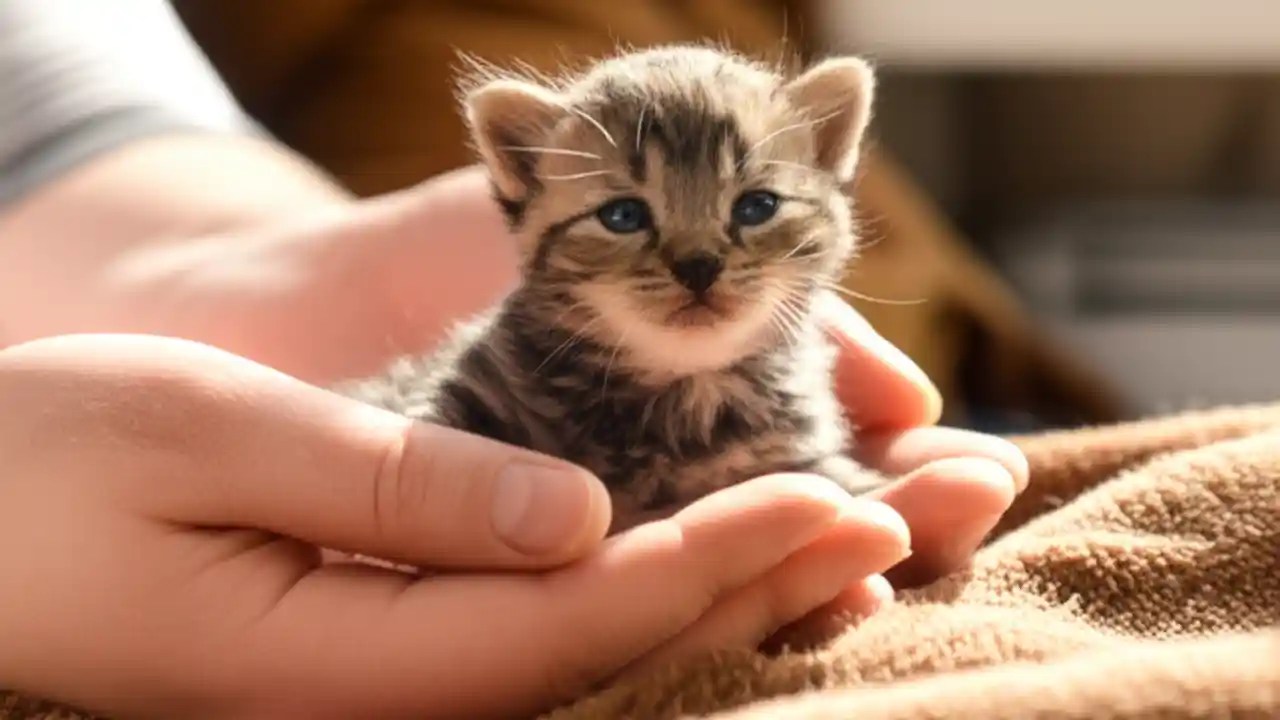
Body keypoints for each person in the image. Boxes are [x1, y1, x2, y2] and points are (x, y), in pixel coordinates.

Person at [0, 2, 1028, 718]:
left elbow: (66, 112)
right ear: (522, 181)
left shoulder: (787, 381)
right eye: (624, 217)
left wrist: (281, 275)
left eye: (754, 206)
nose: (698, 261)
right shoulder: (509, 386)